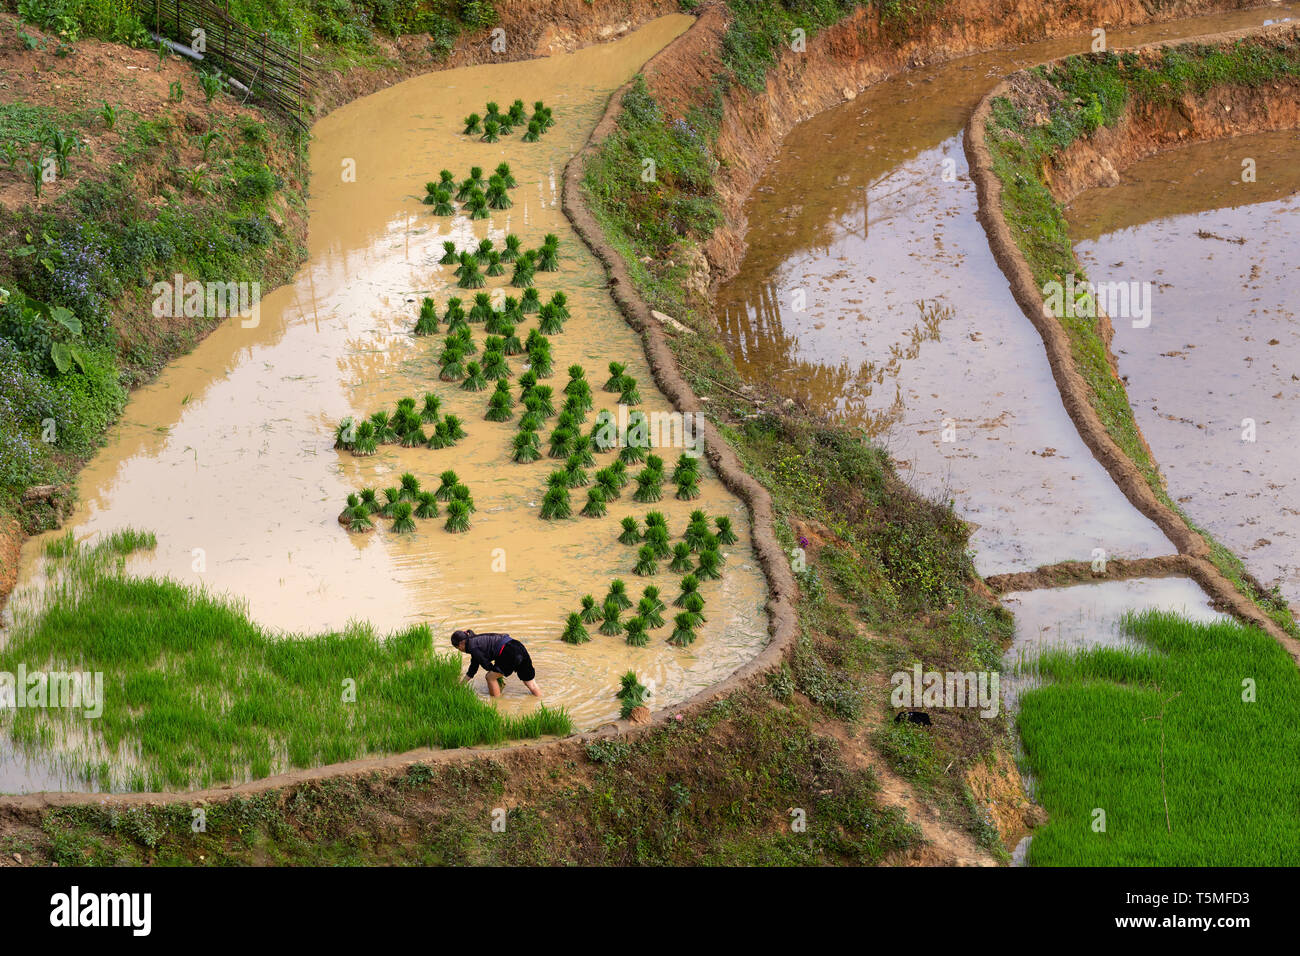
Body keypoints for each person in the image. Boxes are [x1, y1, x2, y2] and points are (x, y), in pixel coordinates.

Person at [451, 629, 541, 698]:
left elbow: (487, 665)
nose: (460, 651)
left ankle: (496, 704)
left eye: (458, 648)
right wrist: (461, 685)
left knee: (490, 677)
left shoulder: (472, 647)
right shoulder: (475, 641)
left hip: (508, 652)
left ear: (461, 644)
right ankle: (540, 701)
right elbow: (473, 668)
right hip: (518, 646)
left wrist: (495, 675)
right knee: (530, 683)